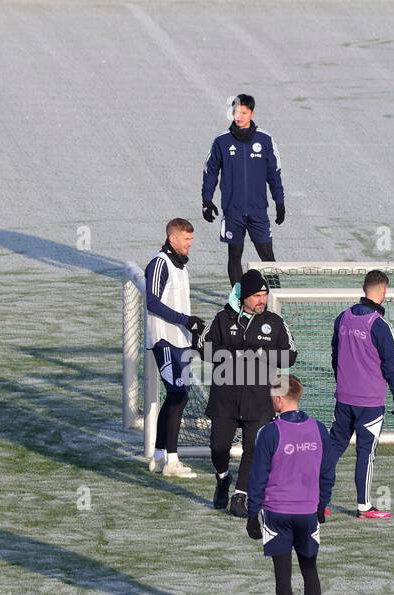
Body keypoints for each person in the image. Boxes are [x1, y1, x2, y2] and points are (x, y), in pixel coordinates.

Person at [246, 375, 335, 595]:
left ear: (281, 399)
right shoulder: (319, 430)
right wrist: (322, 504)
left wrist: (252, 513)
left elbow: (257, 476)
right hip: (307, 512)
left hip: (276, 514)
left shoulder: (270, 433)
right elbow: (327, 472)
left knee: (282, 578)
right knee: (310, 572)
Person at [203, 269, 297, 517]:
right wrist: (232, 355)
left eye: (264, 295)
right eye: (256, 295)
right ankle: (223, 478)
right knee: (218, 447)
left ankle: (240, 496)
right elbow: (204, 348)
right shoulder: (222, 318)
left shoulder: (275, 322)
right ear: (244, 296)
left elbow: (291, 355)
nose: (262, 300)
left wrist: (263, 355)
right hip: (225, 398)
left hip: (260, 401)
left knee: (253, 449)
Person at [329, 270, 394, 518]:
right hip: (370, 403)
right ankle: (363, 507)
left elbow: (335, 356)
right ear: (383, 291)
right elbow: (391, 365)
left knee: (334, 447)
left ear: (364, 289)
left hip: (343, 398)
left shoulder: (342, 318)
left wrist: (343, 382)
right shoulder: (380, 325)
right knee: (366, 453)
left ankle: (318, 501)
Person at [201, 93, 286, 287]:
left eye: (244, 113)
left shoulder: (265, 140)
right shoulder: (221, 141)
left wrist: (279, 202)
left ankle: (276, 298)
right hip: (233, 211)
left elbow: (274, 173)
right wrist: (207, 200)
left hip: (258, 211)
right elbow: (210, 171)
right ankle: (238, 301)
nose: (239, 117)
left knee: (267, 256)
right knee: (234, 255)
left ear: (252, 113)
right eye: (236, 112)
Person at [144, 218, 206, 477]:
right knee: (178, 395)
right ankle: (171, 460)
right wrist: (185, 320)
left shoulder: (181, 266)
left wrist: (191, 332)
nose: (190, 244)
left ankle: (160, 455)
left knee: (177, 397)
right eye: (186, 240)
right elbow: (152, 302)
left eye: (191, 240)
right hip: (164, 341)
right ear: (173, 238)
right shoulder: (160, 263)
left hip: (181, 342)